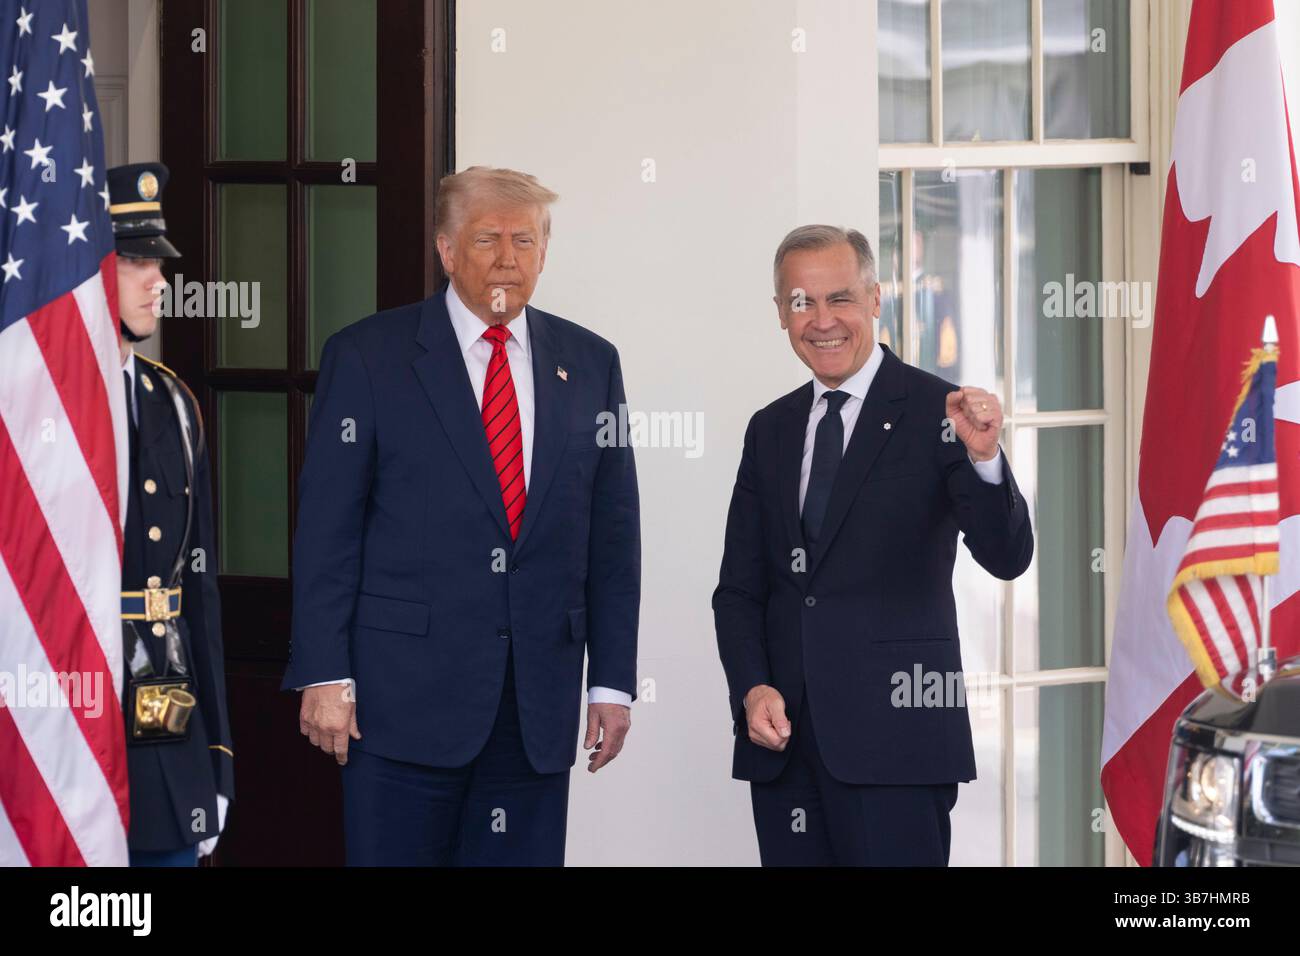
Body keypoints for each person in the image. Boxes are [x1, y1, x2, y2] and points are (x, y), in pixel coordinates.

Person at [284, 166, 641, 866]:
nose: (509, 257)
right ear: (446, 250)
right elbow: (328, 532)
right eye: (488, 238)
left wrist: (612, 682)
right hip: (398, 707)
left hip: (534, 709)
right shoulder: (367, 357)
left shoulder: (592, 363)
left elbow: (613, 535)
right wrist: (324, 672)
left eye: (526, 239)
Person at [713, 224, 1033, 866]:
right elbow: (740, 590)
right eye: (802, 302)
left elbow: (1006, 555)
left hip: (898, 747)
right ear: (781, 312)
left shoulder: (939, 411)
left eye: (841, 299)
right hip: (786, 752)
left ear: (876, 300)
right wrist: (753, 687)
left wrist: (985, 458)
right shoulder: (770, 430)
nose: (822, 320)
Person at [110, 162, 234, 866]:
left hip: (164, 723)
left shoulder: (173, 403)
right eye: (134, 260)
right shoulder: (32, 408)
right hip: (59, 719)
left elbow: (197, 593)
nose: (158, 280)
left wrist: (214, 758)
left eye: (158, 262)